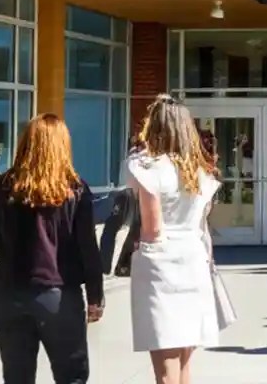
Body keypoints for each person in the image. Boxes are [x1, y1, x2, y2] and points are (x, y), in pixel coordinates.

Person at [0, 114, 103, 383]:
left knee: (16, 376)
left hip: (9, 294)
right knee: (72, 376)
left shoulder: (1, 187)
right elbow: (87, 247)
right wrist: (95, 294)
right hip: (59, 294)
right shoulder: (75, 189)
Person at [128, 95, 221, 384]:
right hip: (194, 258)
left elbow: (153, 228)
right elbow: (202, 224)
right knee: (184, 362)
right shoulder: (201, 171)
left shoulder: (149, 168)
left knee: (165, 364)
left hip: (161, 265)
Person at [100, 136, 145, 278]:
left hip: (123, 192)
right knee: (129, 230)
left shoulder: (129, 159)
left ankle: (109, 264)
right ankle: (121, 264)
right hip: (129, 193)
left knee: (113, 229)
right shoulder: (138, 160)